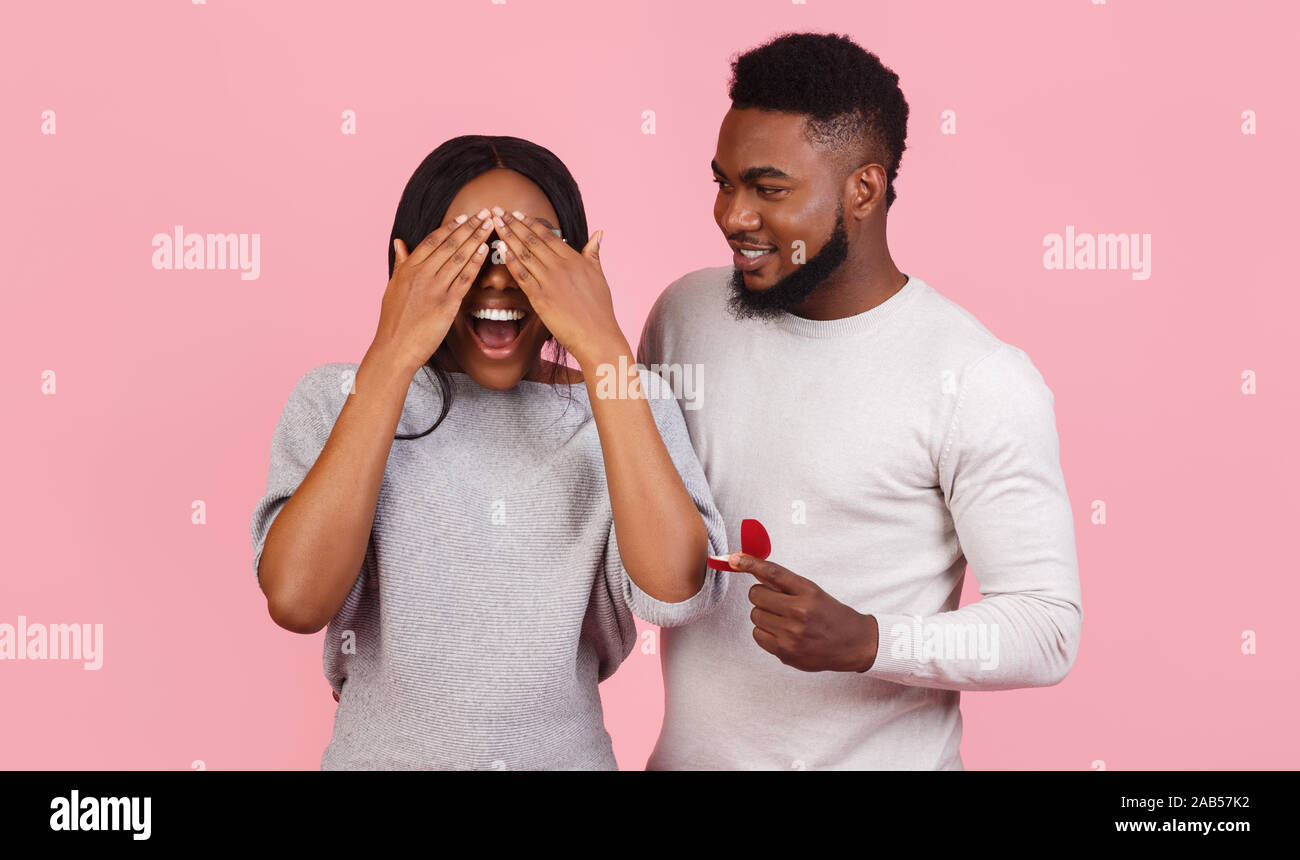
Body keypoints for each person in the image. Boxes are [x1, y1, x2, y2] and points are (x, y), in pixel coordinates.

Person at [637, 32, 1083, 769]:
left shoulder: (977, 378)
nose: (732, 216)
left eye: (769, 188)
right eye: (723, 181)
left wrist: (869, 640)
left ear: (864, 190)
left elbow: (1046, 629)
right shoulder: (685, 316)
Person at [249, 135, 728, 770]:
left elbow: (674, 590)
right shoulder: (336, 399)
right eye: (468, 246)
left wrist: (605, 348)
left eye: (532, 248)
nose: (500, 273)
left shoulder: (624, 403)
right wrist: (392, 357)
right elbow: (296, 599)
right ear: (407, 264)